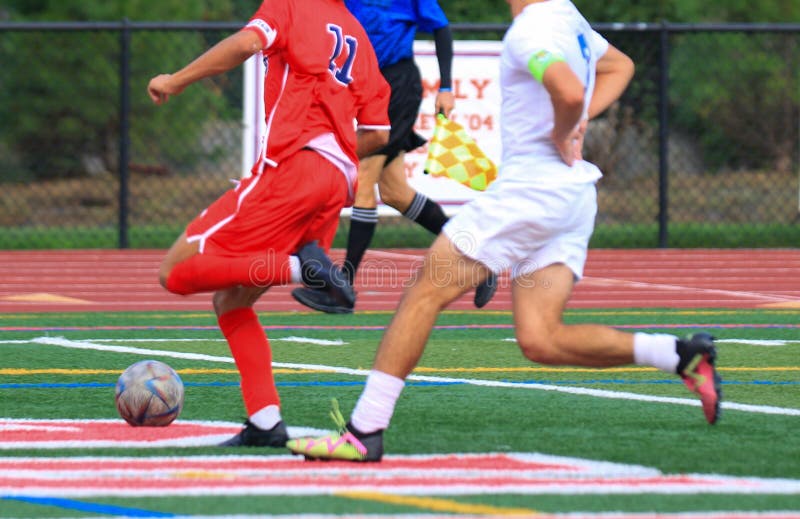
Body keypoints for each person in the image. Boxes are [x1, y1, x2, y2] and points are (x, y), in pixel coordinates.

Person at [286, 0, 723, 462]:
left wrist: (569, 124)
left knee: (423, 294)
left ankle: (364, 431)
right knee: (540, 338)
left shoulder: (529, 30)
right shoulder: (566, 16)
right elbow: (620, 65)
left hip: (530, 193)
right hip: (572, 197)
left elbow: (570, 93)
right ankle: (680, 354)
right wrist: (575, 127)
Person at [147, 0, 391, 447]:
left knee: (175, 272)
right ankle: (265, 421)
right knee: (232, 303)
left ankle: (309, 270)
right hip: (336, 181)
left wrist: (175, 81)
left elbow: (245, 43)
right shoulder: (359, 35)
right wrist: (331, 144)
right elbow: (378, 135)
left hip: (292, 169)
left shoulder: (291, 4)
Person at [290, 0, 497, 314]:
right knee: (396, 193)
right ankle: (480, 257)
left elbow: (440, 28)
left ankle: (342, 288)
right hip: (364, 87)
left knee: (364, 181)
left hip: (397, 86)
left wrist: (445, 86)